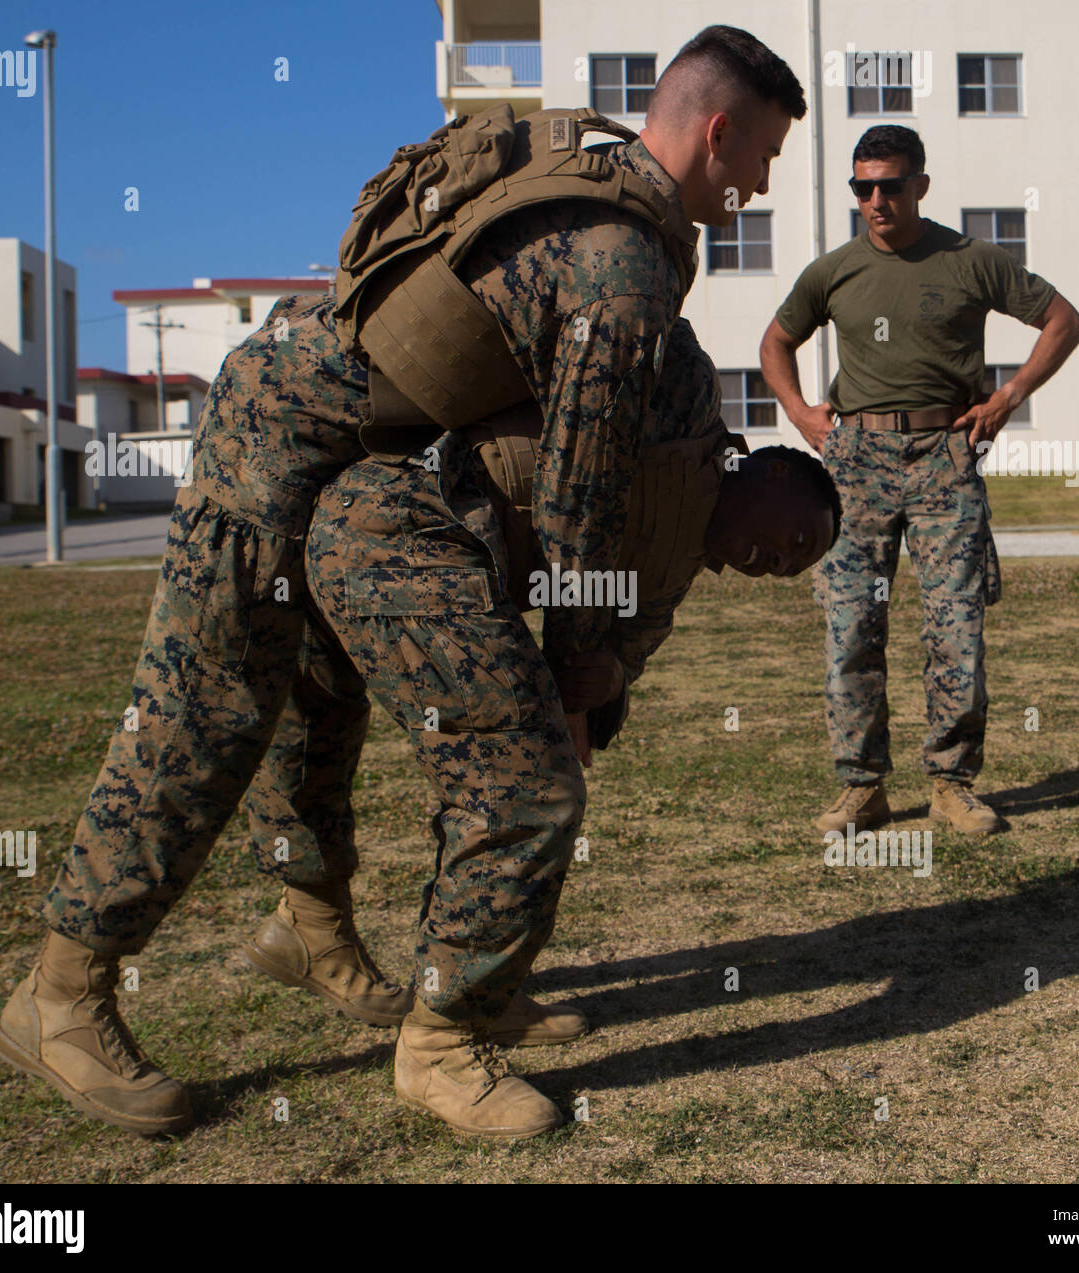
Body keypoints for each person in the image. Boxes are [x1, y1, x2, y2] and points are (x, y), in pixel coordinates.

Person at [0, 24, 808, 1139]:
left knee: (316, 703)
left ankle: (311, 935)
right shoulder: (626, 256)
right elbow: (578, 487)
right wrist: (576, 668)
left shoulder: (586, 175)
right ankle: (61, 995)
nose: (759, 185)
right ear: (716, 132)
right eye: (760, 157)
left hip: (340, 450)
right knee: (205, 713)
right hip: (273, 442)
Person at [291, 315, 838, 1139]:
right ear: (763, 468)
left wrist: (609, 675)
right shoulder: (684, 420)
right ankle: (439, 1040)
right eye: (795, 532)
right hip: (404, 533)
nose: (782, 559)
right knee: (525, 789)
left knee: (533, 782)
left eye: (799, 563)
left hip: (448, 561)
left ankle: (483, 983)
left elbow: (622, 665)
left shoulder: (675, 567)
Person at [760, 125, 1079, 838]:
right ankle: (860, 788)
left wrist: (1006, 398)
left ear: (921, 187)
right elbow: (776, 341)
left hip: (945, 456)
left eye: (890, 186)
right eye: (863, 187)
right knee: (851, 626)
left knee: (955, 626)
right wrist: (804, 414)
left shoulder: (968, 260)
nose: (876, 200)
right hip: (857, 465)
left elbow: (1063, 319)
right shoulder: (834, 270)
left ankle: (951, 783)